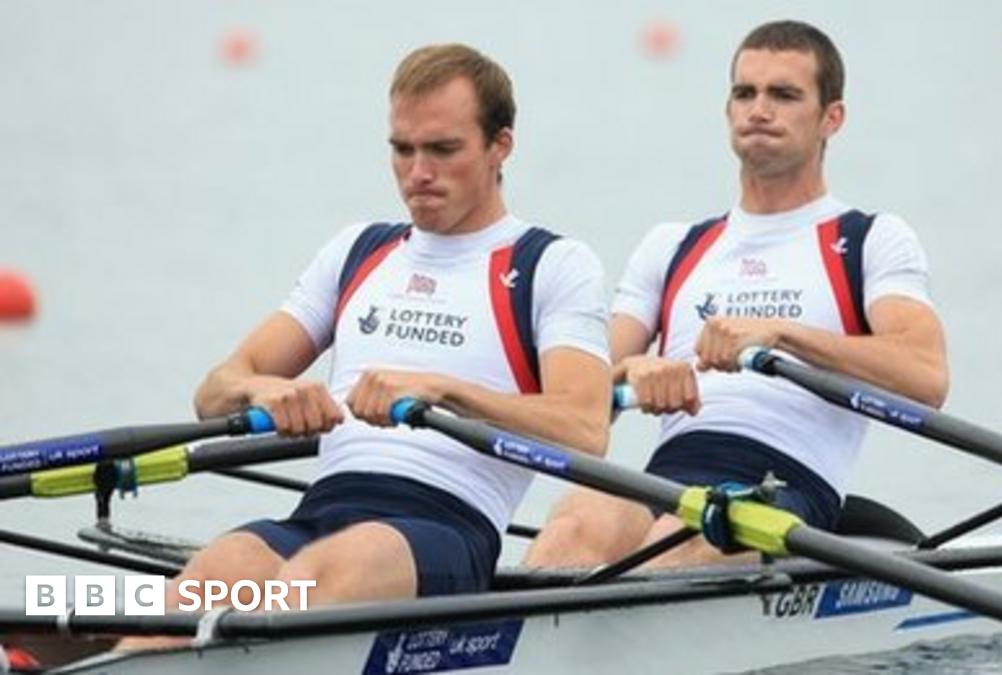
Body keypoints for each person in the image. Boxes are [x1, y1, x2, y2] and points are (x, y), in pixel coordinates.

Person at [128, 43, 611, 633]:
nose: (418, 173)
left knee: (323, 577)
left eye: (442, 150)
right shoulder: (359, 253)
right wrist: (264, 392)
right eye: (402, 150)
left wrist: (444, 391)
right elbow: (213, 393)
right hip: (318, 516)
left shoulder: (552, 265)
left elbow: (586, 430)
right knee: (212, 577)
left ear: (500, 145)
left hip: (442, 530)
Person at [524, 20, 949, 569]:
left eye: (784, 95)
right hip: (668, 474)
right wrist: (630, 372)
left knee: (677, 541)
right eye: (744, 93)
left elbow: (928, 376)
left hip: (783, 486)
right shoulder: (674, 245)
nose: (759, 109)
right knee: (577, 522)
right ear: (728, 111)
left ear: (831, 118)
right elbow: (574, 401)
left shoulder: (866, 240)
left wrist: (781, 334)